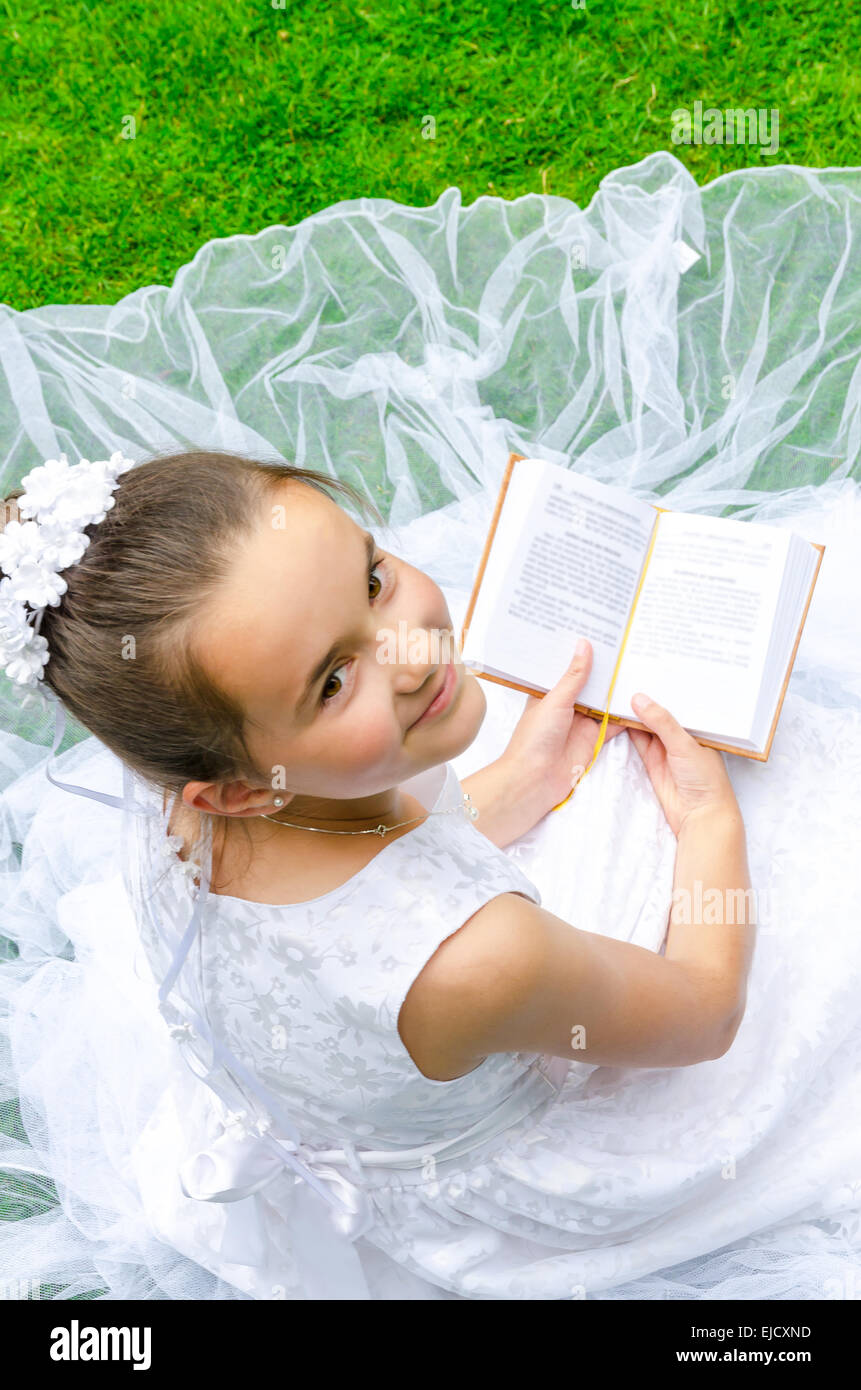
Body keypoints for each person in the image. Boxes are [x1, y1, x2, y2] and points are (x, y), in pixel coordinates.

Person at [1, 445, 860, 1302]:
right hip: (512, 1171)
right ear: (233, 790)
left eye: (372, 580)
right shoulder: (483, 958)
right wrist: (710, 823)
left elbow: (350, 922)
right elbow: (705, 1016)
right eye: (334, 680)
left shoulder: (182, 811)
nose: (411, 654)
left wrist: (510, 788)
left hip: (370, 1095)